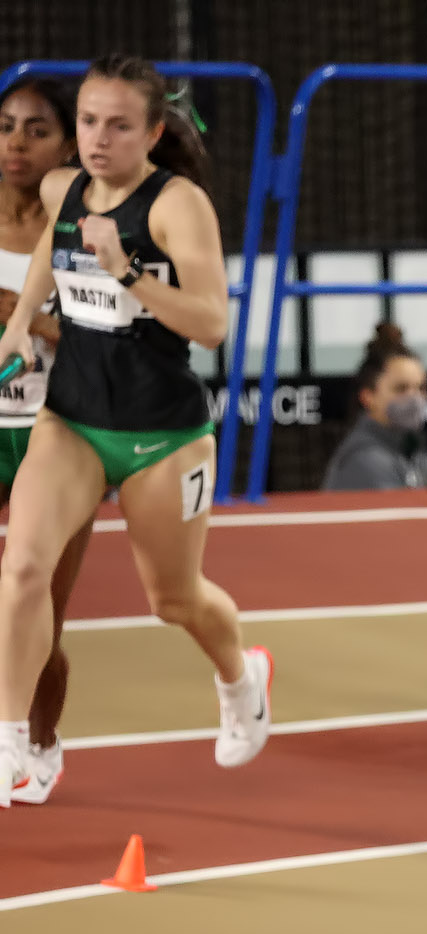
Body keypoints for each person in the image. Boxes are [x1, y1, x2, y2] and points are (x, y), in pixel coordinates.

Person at [0, 55, 271, 805]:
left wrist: (126, 272)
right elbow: (47, 264)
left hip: (163, 434)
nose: (97, 138)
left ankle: (241, 677)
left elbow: (213, 325)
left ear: (152, 131)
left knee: (173, 599)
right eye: (88, 121)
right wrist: (22, 323)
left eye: (118, 125)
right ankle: (12, 743)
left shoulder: (176, 205)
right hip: (73, 421)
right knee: (21, 570)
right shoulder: (65, 187)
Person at [0, 76, 86, 805]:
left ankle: (43, 742)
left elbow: (119, 339)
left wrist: (33, 322)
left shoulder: (85, 224)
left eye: (35, 129)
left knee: (42, 613)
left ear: (67, 145)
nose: (16, 144)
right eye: (5, 127)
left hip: (59, 437)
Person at [322, 323, 427, 490]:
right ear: (368, 396)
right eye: (400, 389)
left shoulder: (415, 453)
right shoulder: (363, 460)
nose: (414, 398)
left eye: (420, 388)